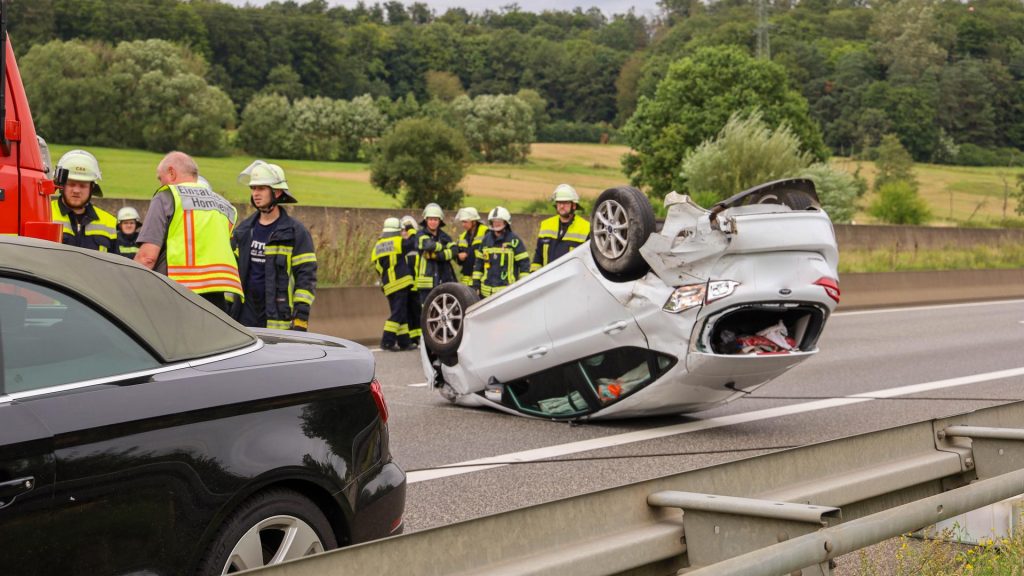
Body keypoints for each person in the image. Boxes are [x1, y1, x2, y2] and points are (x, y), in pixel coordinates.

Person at [135, 151, 242, 312]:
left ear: (171, 172)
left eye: (160, 178)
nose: (160, 183)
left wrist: (129, 288)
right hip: (217, 300)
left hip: (175, 294)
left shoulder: (167, 196)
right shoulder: (225, 206)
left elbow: (147, 257)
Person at [229, 161, 317, 331]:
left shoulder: (295, 233)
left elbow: (306, 278)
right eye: (253, 188)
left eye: (261, 188)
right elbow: (231, 273)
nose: (255, 193)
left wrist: (301, 318)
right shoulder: (243, 231)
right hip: (244, 317)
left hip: (278, 319)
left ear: (276, 192)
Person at [50, 149, 118, 253]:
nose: (76, 190)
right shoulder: (45, 214)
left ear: (92, 187)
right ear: (61, 185)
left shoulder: (109, 222)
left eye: (83, 186)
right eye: (71, 184)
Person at [371, 217, 416, 351]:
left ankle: (404, 342)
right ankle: (387, 341)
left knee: (400, 313)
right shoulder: (398, 242)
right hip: (400, 284)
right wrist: (411, 229)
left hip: (388, 285)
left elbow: (378, 268)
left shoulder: (377, 246)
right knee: (397, 314)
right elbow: (413, 242)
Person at [532, 183, 591, 272]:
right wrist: (534, 277)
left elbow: (589, 260)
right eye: (559, 202)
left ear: (574, 205)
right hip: (548, 279)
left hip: (571, 281)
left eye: (565, 203)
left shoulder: (585, 227)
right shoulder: (546, 225)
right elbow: (538, 257)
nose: (561, 206)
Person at [473, 206, 529, 297]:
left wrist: (523, 285)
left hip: (507, 293)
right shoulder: (486, 240)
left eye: (499, 221)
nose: (496, 224)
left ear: (506, 222)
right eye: (494, 221)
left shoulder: (514, 240)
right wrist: (475, 284)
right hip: (485, 293)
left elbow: (524, 264)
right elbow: (478, 264)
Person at [415, 203, 457, 304]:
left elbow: (455, 250)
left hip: (444, 279)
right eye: (430, 219)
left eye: (435, 219)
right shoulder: (420, 235)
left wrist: (437, 256)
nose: (433, 222)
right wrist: (443, 247)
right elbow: (428, 246)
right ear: (426, 220)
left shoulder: (445, 236)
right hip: (426, 284)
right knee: (427, 312)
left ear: (440, 221)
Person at [400, 215, 422, 346]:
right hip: (406, 286)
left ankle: (420, 338)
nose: (404, 232)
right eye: (402, 230)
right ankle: (413, 338)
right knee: (408, 312)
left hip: (418, 285)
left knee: (417, 312)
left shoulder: (416, 241)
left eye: (407, 230)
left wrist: (412, 232)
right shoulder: (402, 244)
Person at [454, 207, 487, 288]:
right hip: (467, 280)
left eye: (465, 222)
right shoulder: (462, 237)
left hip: (482, 278)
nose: (463, 225)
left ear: (474, 221)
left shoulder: (486, 232)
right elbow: (457, 256)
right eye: (462, 222)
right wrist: (458, 257)